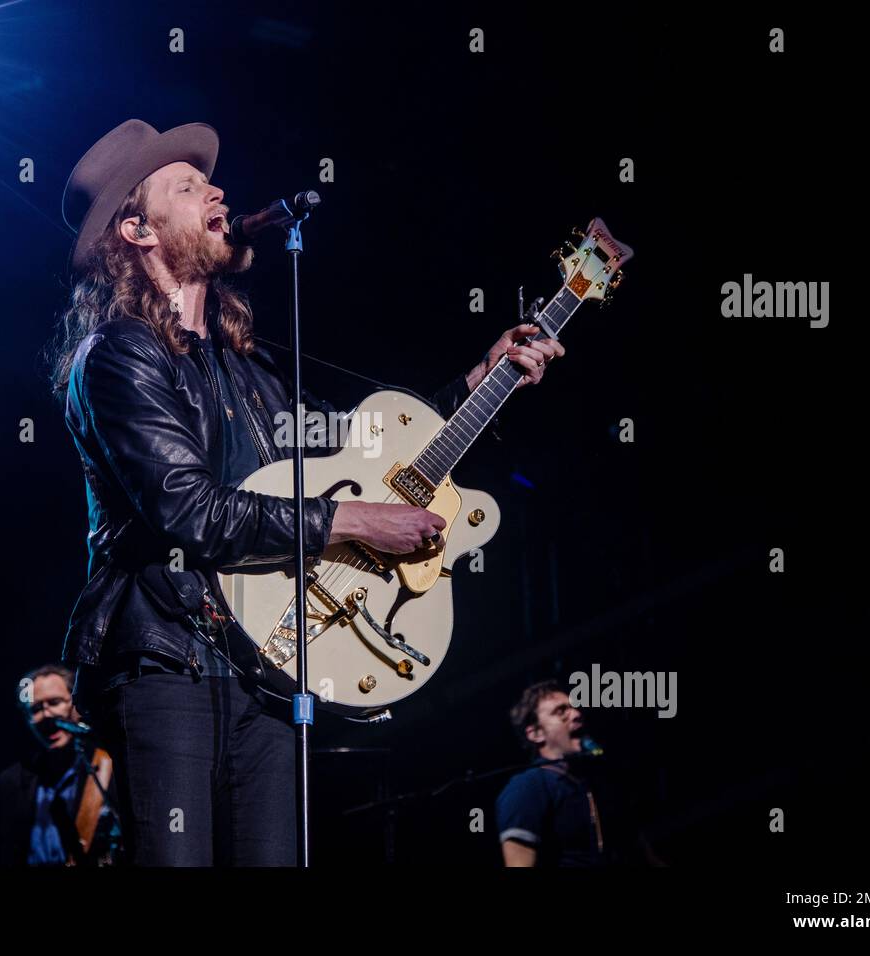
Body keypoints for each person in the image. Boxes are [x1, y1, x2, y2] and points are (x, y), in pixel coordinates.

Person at [48, 119, 564, 865]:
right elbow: (189, 510)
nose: (216, 189)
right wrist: (355, 522)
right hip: (167, 666)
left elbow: (362, 453)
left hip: (264, 664)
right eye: (186, 186)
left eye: (209, 180)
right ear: (137, 229)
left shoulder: (247, 371)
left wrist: (479, 384)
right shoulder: (120, 356)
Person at [0, 664, 117, 865]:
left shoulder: (108, 768)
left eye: (55, 702)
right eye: (36, 709)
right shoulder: (11, 781)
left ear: (75, 705)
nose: (47, 715)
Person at [495, 679, 607, 867]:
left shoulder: (594, 783)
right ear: (536, 734)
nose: (577, 714)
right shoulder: (528, 786)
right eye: (561, 711)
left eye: (575, 708)